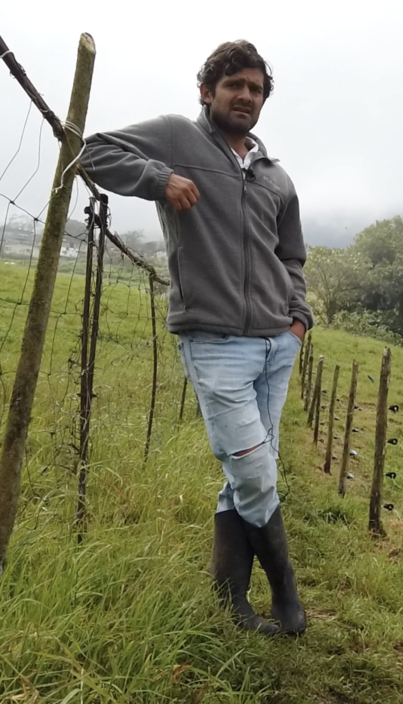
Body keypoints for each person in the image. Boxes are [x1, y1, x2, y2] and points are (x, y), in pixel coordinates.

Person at [81, 40, 314, 637]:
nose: (246, 96)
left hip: (276, 346)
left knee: (253, 470)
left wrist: (297, 320)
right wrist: (157, 178)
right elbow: (93, 152)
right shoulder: (177, 137)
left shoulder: (276, 176)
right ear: (207, 91)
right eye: (234, 84)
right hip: (214, 343)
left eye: (256, 89)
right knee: (255, 472)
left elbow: (291, 256)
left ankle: (231, 601)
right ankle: (286, 590)